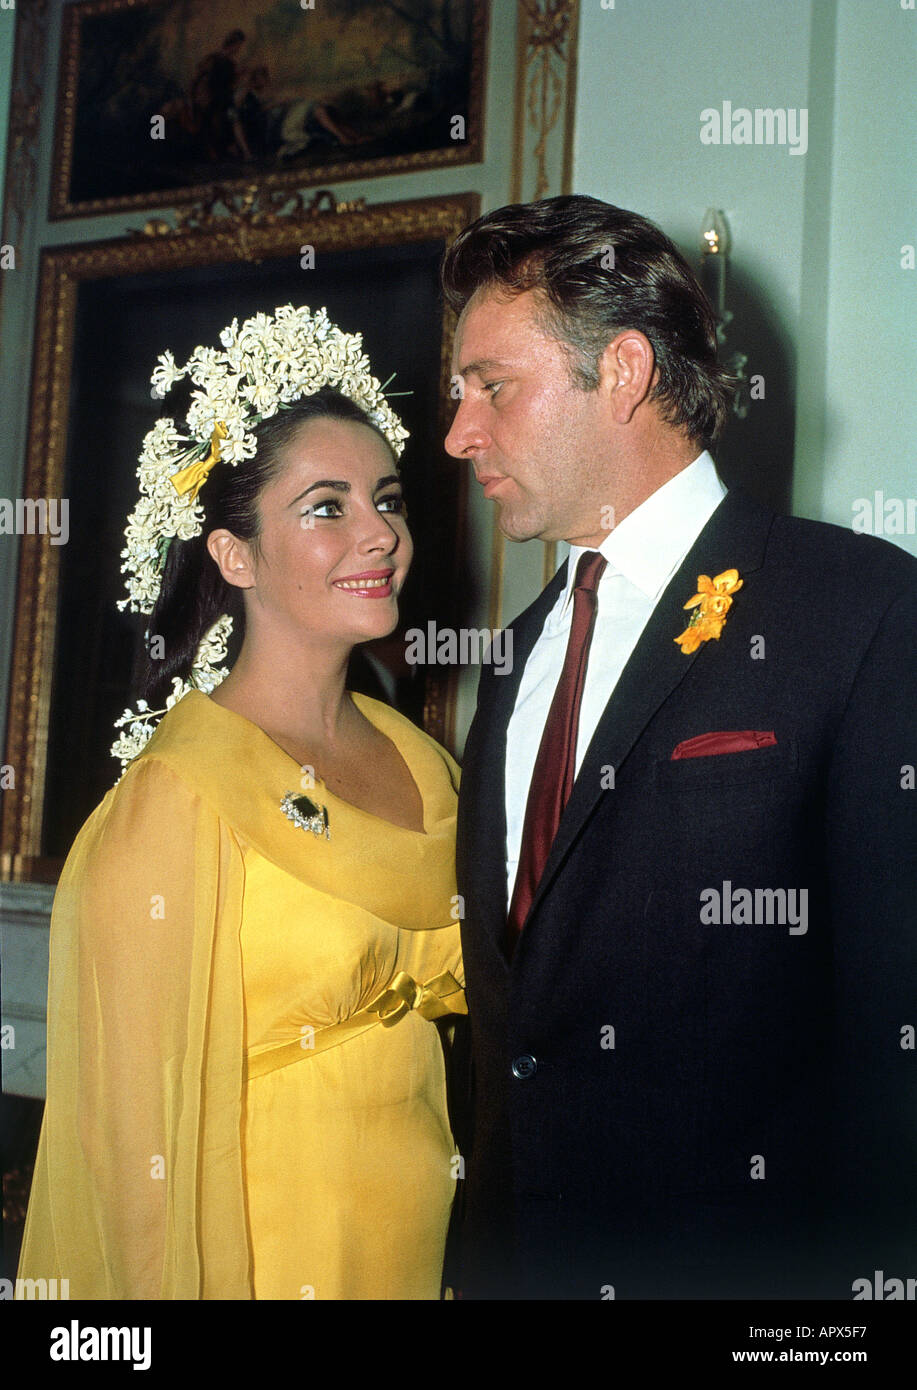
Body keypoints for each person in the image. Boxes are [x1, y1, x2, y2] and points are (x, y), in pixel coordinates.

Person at [442, 195, 917, 1299]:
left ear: (619, 370)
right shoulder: (512, 659)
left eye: (491, 387)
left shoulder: (856, 610)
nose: (459, 432)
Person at [16, 306, 465, 1300]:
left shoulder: (426, 766)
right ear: (232, 554)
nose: (377, 534)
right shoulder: (177, 798)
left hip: (421, 1229)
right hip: (263, 1249)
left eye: (383, 498)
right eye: (325, 506)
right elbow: (135, 1147)